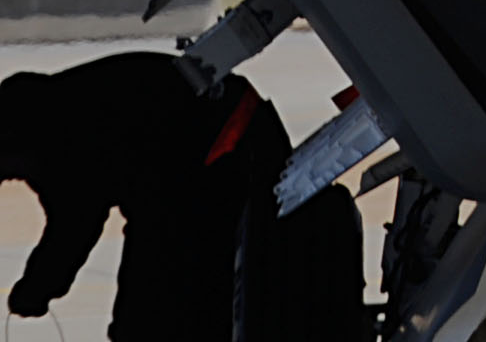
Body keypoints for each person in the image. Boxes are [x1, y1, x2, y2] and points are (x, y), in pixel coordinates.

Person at [0, 53, 288, 340]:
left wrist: (35, 290)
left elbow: (74, 225)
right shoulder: (39, 118)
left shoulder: (53, 137)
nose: (10, 179)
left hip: (226, 148)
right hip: (220, 141)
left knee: (155, 315)